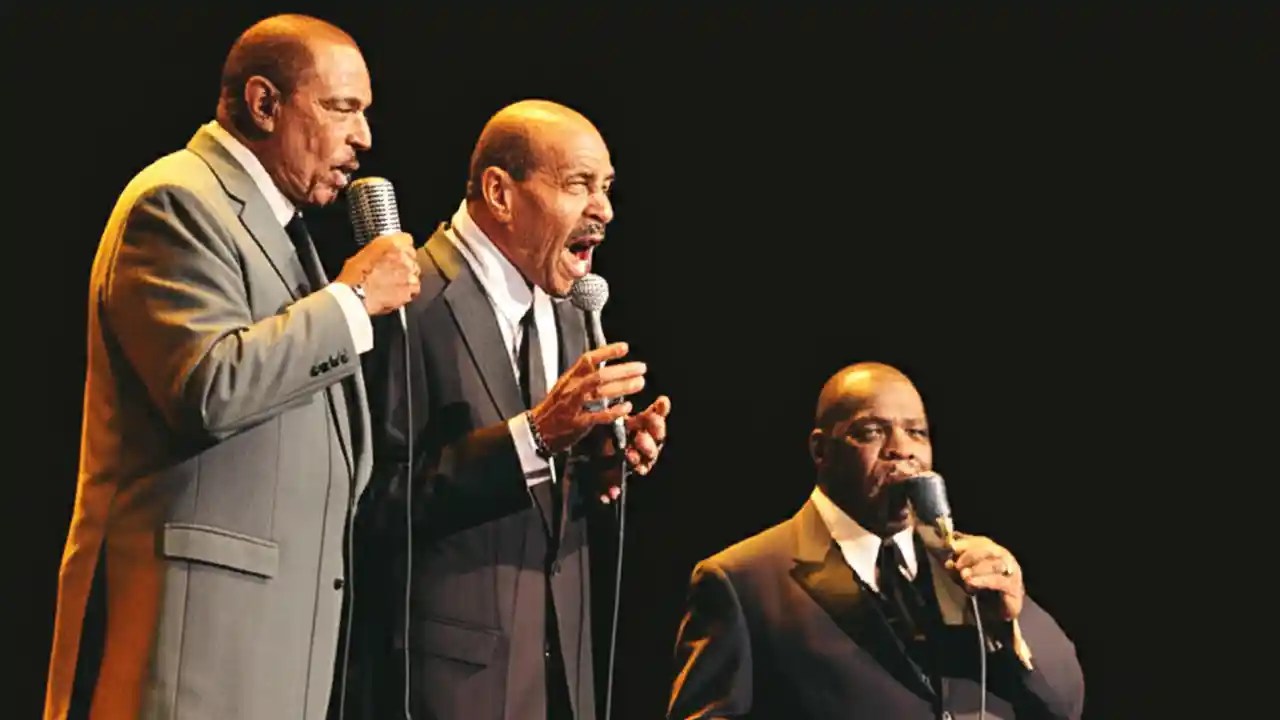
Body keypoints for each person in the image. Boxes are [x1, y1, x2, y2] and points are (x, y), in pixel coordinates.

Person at [42, 14, 420, 720]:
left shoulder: (284, 229)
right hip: (193, 658)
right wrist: (353, 300)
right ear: (264, 102)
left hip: (273, 655)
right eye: (342, 109)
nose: (364, 138)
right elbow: (207, 386)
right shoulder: (178, 200)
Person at [345, 99, 671, 720]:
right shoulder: (405, 299)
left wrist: (602, 462)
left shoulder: (574, 308)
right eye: (578, 185)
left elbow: (541, 501)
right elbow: (368, 505)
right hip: (443, 689)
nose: (602, 209)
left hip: (559, 685)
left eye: (605, 188)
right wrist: (536, 437)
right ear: (499, 192)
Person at [666, 362, 1085, 719]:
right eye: (871, 432)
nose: (901, 450)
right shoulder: (741, 581)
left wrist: (1009, 623)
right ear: (820, 450)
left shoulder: (966, 566)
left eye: (916, 433)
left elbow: (1065, 705)